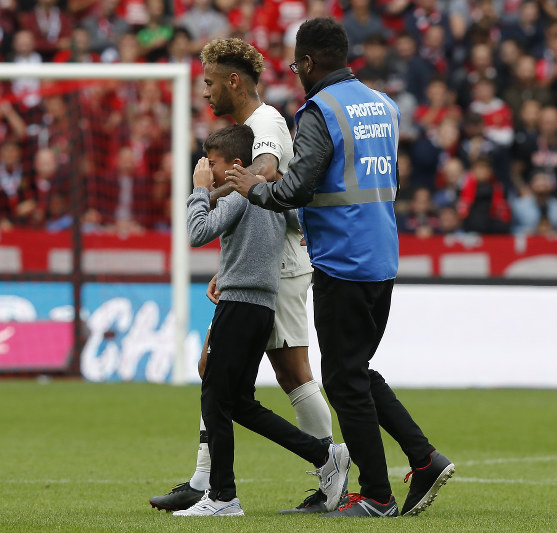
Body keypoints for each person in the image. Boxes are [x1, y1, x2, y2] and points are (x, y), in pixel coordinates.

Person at [227, 17, 454, 518]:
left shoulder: (320, 111)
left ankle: (376, 496)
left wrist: (255, 189)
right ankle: (424, 458)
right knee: (354, 371)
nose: (297, 74)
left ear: (308, 62)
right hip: (382, 254)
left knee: (343, 380)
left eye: (296, 66)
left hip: (342, 259)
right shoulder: (383, 104)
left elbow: (298, 187)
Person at [149, 37, 338, 514]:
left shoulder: (265, 122)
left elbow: (265, 172)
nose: (205, 92)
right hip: (255, 264)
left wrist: (207, 193)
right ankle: (207, 481)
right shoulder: (244, 128)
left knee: (290, 373)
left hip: (280, 266)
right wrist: (227, 264)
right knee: (219, 376)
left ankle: (329, 470)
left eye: (210, 83)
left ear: (234, 81)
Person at [174, 123, 350, 517]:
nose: (207, 169)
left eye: (212, 163)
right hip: (261, 307)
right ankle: (323, 454)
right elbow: (297, 223)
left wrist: (199, 190)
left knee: (214, 397)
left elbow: (198, 232)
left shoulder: (239, 193)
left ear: (237, 164)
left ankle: (222, 497)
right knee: (237, 403)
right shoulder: (269, 194)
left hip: (239, 305)